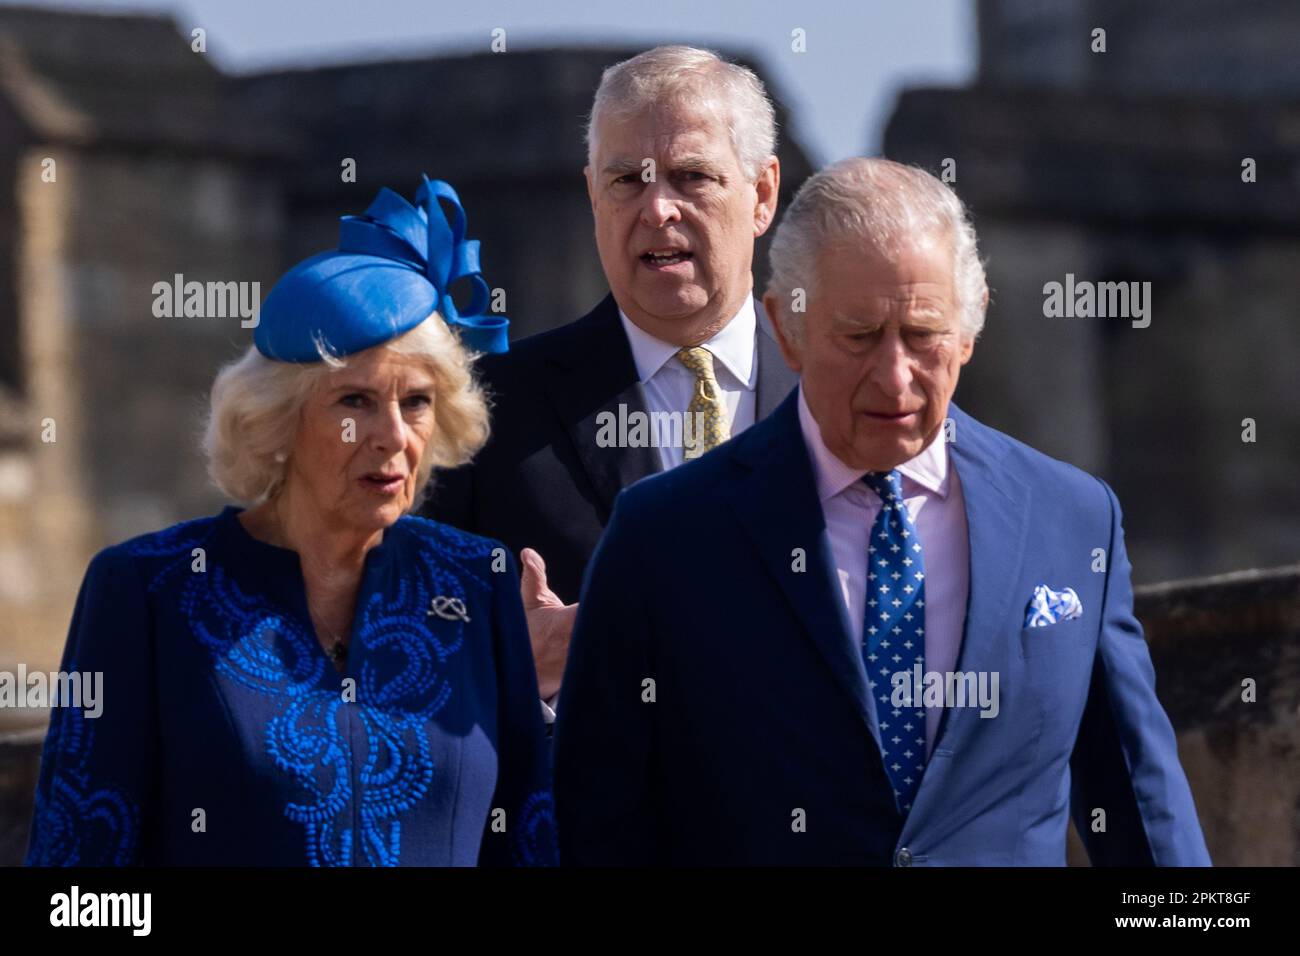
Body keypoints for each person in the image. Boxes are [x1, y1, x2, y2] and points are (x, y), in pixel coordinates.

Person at [553, 158, 1212, 866]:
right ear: (786, 328)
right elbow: (600, 826)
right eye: (860, 336)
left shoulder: (1073, 518)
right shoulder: (665, 536)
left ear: (969, 327)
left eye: (923, 334)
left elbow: (1138, 806)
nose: (895, 377)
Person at [25, 178, 557, 866]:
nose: (393, 435)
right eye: (355, 401)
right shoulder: (145, 591)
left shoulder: (477, 582)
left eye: (417, 402)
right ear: (277, 419)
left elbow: (533, 840)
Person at [422, 46, 798, 712]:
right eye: (627, 180)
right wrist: (515, 667)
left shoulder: (841, 399)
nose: (658, 209)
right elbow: (394, 670)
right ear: (593, 195)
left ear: (762, 193)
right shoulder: (481, 413)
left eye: (690, 177)